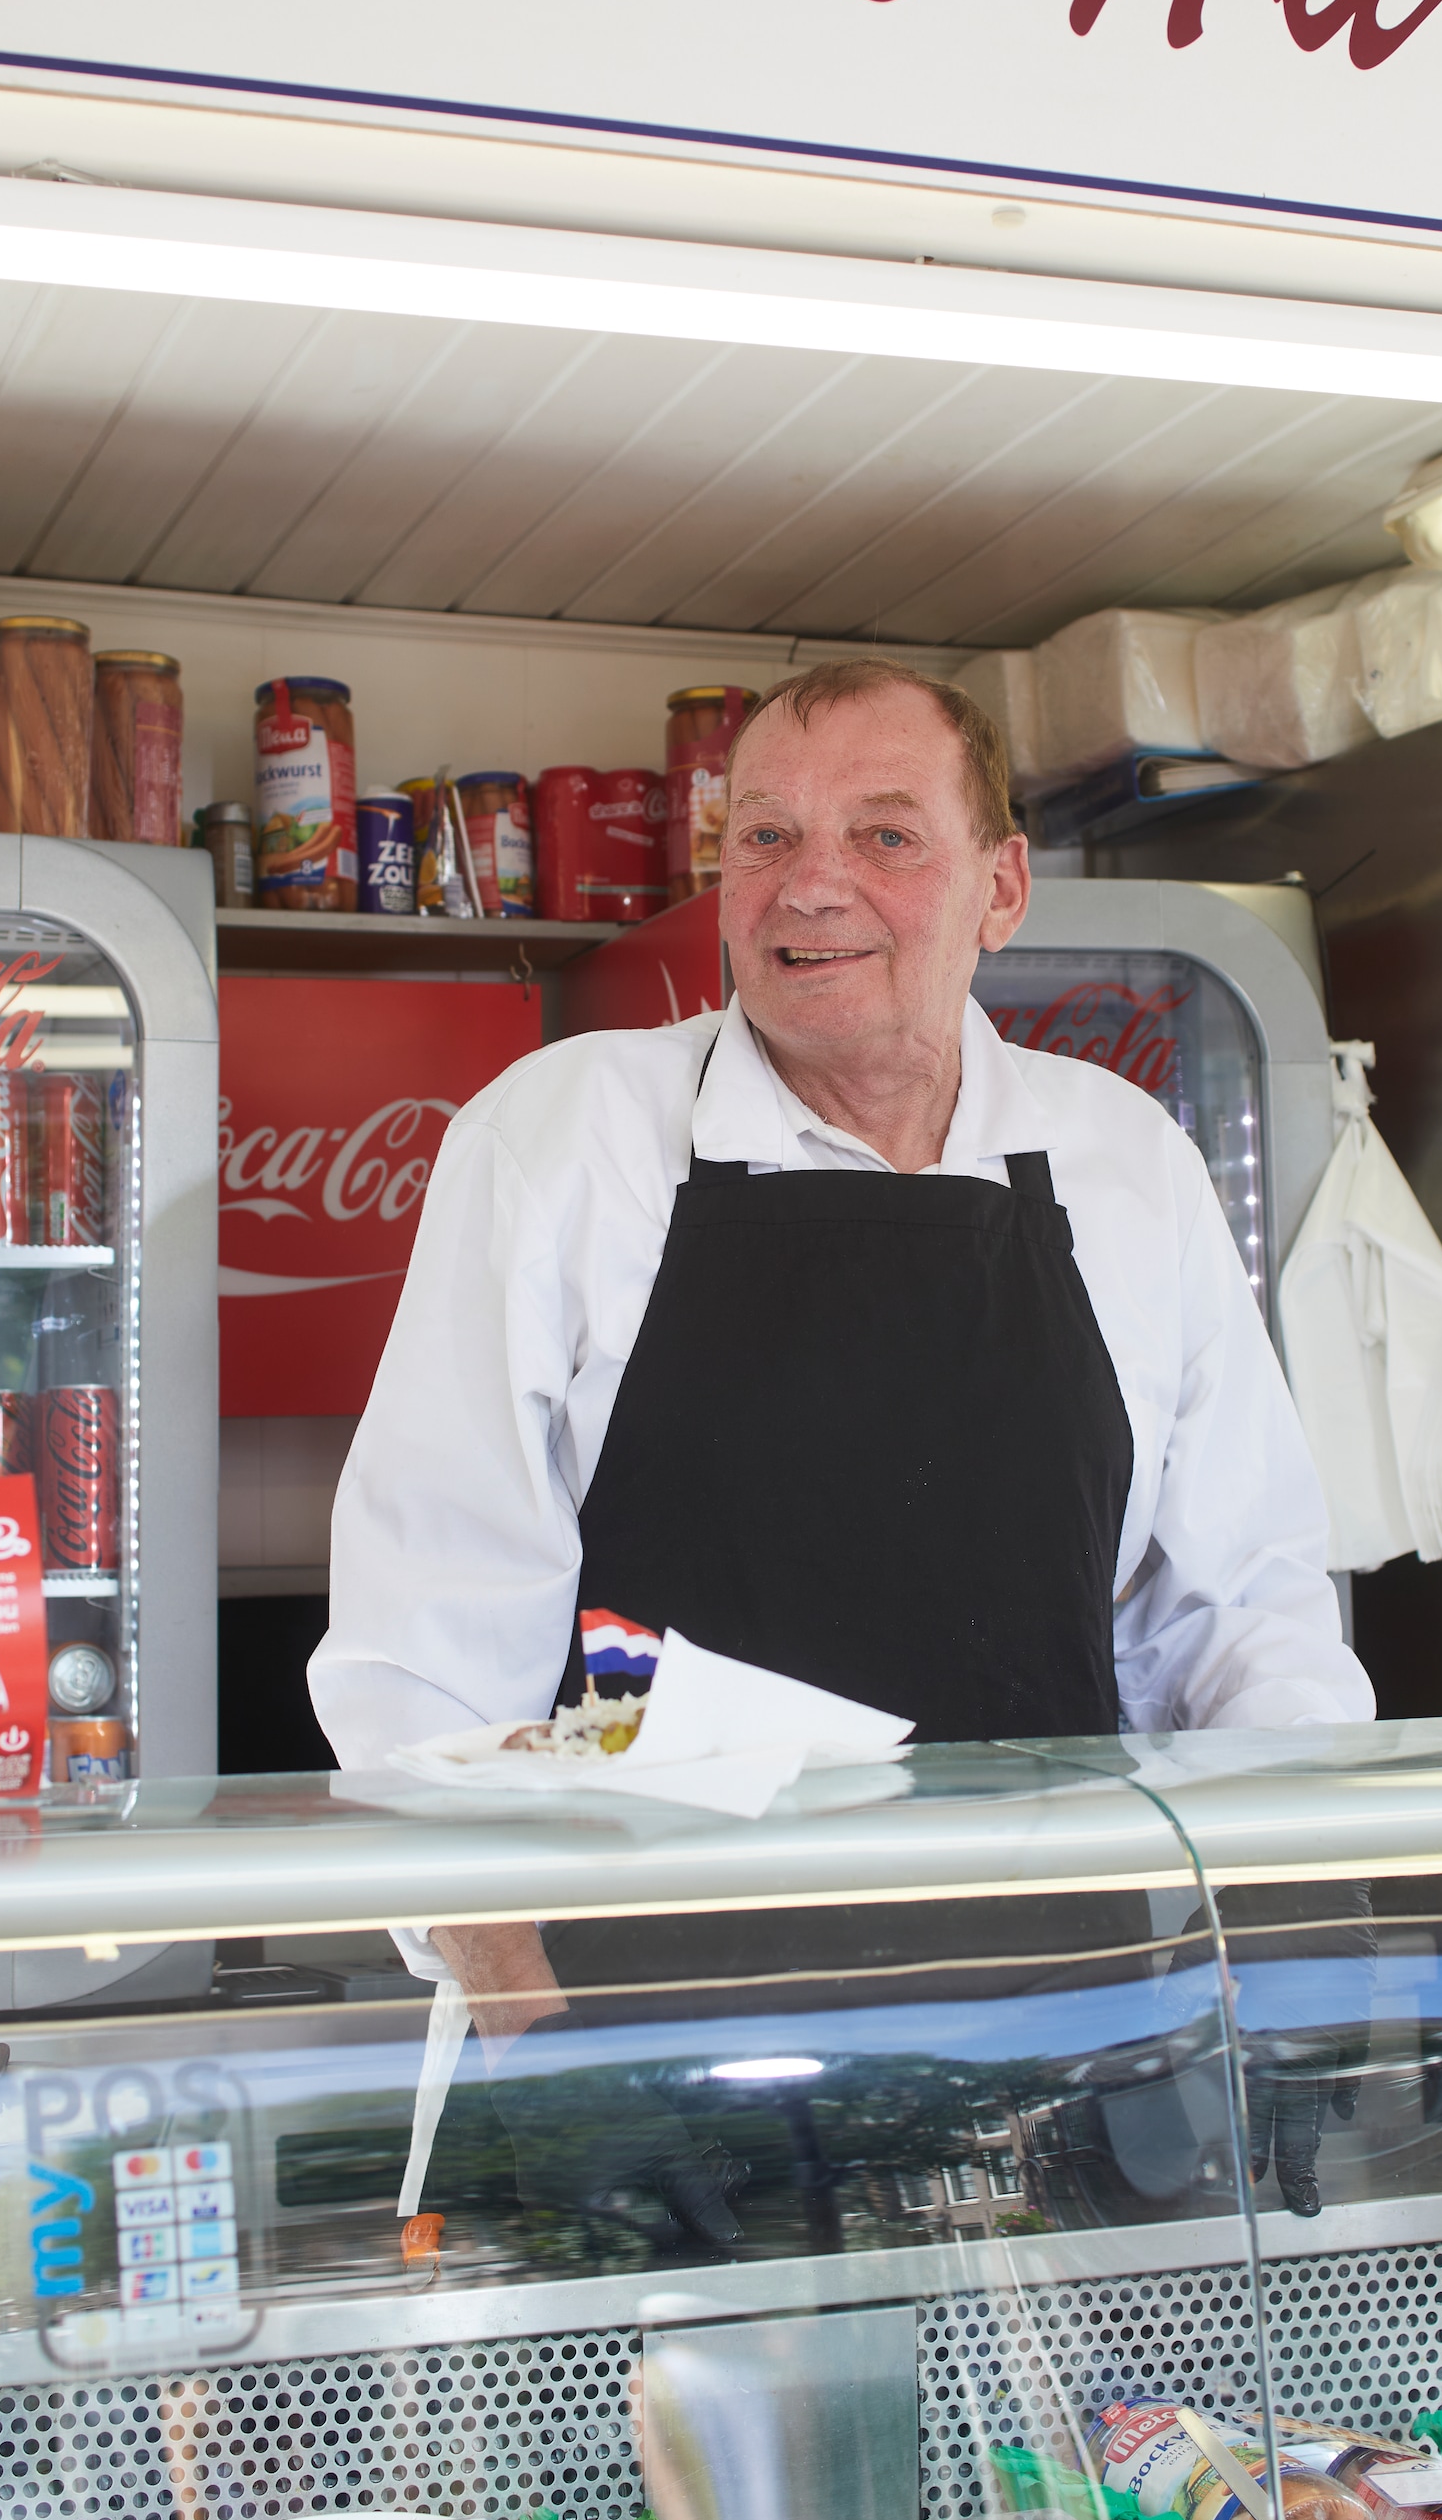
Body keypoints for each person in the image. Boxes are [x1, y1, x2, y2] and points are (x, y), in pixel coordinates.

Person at [309, 658, 1370, 2068]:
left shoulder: (1127, 1163)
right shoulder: (566, 1139)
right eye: (766, 837)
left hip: (1063, 2012)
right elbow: (427, 1644)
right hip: (644, 2016)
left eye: (884, 835)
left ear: (1001, 887)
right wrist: (508, 1977)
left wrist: (1294, 1907)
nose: (812, 886)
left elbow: (1242, 1607)